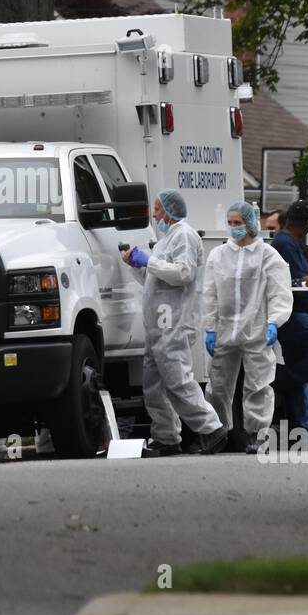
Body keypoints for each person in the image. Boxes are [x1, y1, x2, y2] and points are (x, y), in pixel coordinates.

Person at [122, 189, 227, 456]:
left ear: (169, 211)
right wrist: (137, 265)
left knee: (178, 380)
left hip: (174, 321)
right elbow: (154, 280)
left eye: (157, 209)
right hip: (159, 324)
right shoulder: (165, 239)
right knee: (153, 385)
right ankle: (167, 438)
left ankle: (212, 429)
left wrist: (150, 260)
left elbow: (183, 273)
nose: (154, 214)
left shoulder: (184, 235)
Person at [202, 202, 293, 451]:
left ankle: (256, 435)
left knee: (258, 385)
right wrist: (210, 327)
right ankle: (219, 432)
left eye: (238, 223)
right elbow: (209, 294)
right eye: (230, 223)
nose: (233, 228)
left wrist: (274, 321)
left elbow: (280, 293)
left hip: (257, 330)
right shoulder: (218, 255)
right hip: (224, 331)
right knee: (218, 385)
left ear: (251, 224)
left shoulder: (268, 255)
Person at [269, 200, 308, 431]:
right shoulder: (285, 244)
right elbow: (300, 280)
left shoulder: (292, 243)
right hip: (293, 314)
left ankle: (306, 426)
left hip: (302, 313)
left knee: (299, 371)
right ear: (307, 223)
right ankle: (281, 382)